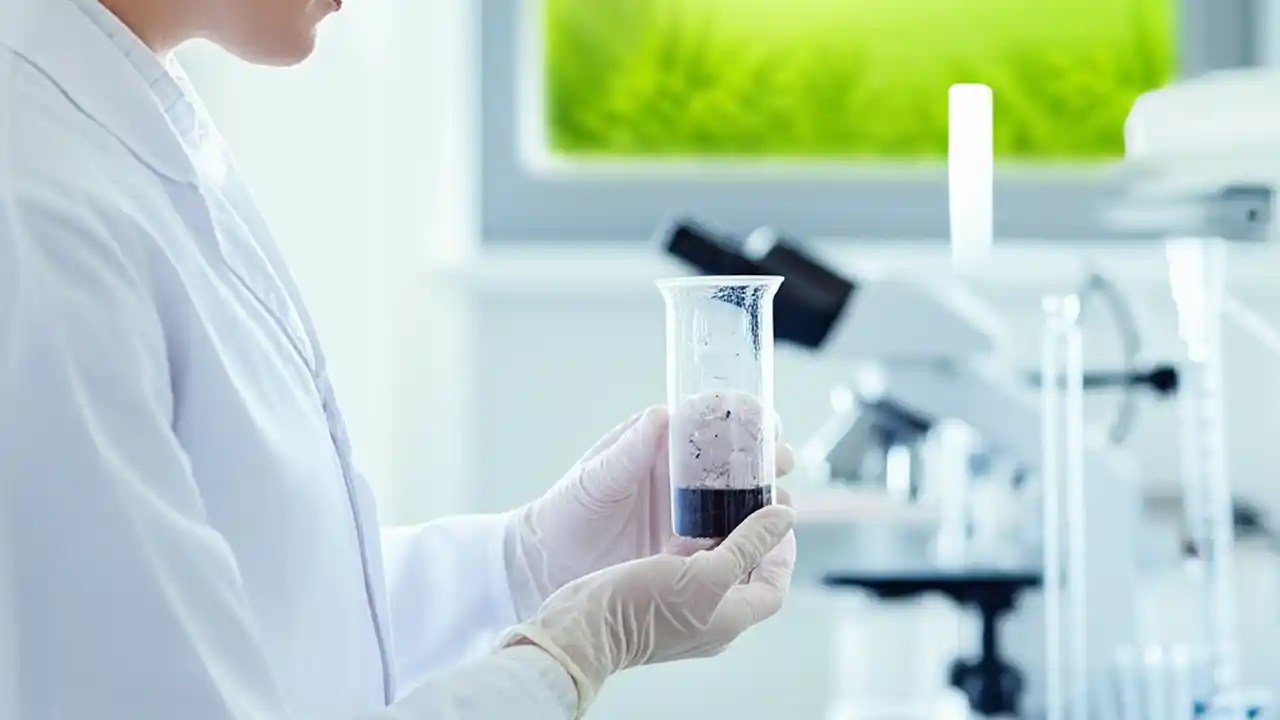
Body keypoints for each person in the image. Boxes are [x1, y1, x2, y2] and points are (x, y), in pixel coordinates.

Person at [0, 0, 798, 718]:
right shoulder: (38, 201)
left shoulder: (129, 116)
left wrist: (523, 564)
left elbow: (268, 615)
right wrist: (566, 659)